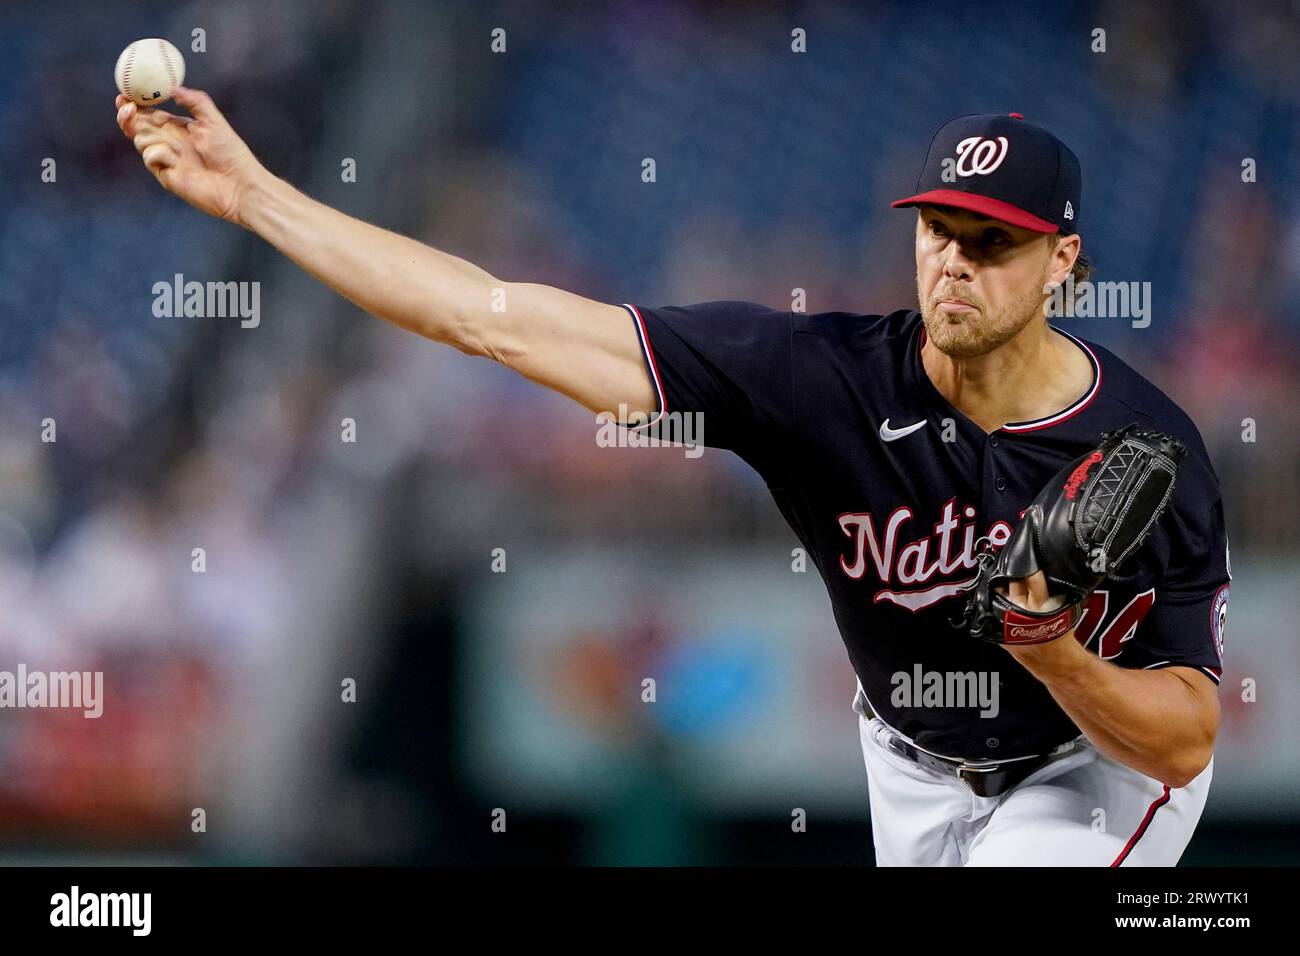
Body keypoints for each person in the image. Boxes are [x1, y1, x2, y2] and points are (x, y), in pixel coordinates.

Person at [117, 92, 1229, 866]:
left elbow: (1183, 735)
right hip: (909, 759)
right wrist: (257, 196)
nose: (953, 259)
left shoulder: (1143, 446)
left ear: (1064, 261)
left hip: (1086, 766)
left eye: (992, 240)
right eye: (940, 227)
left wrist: (1051, 649)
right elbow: (487, 320)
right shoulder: (815, 379)